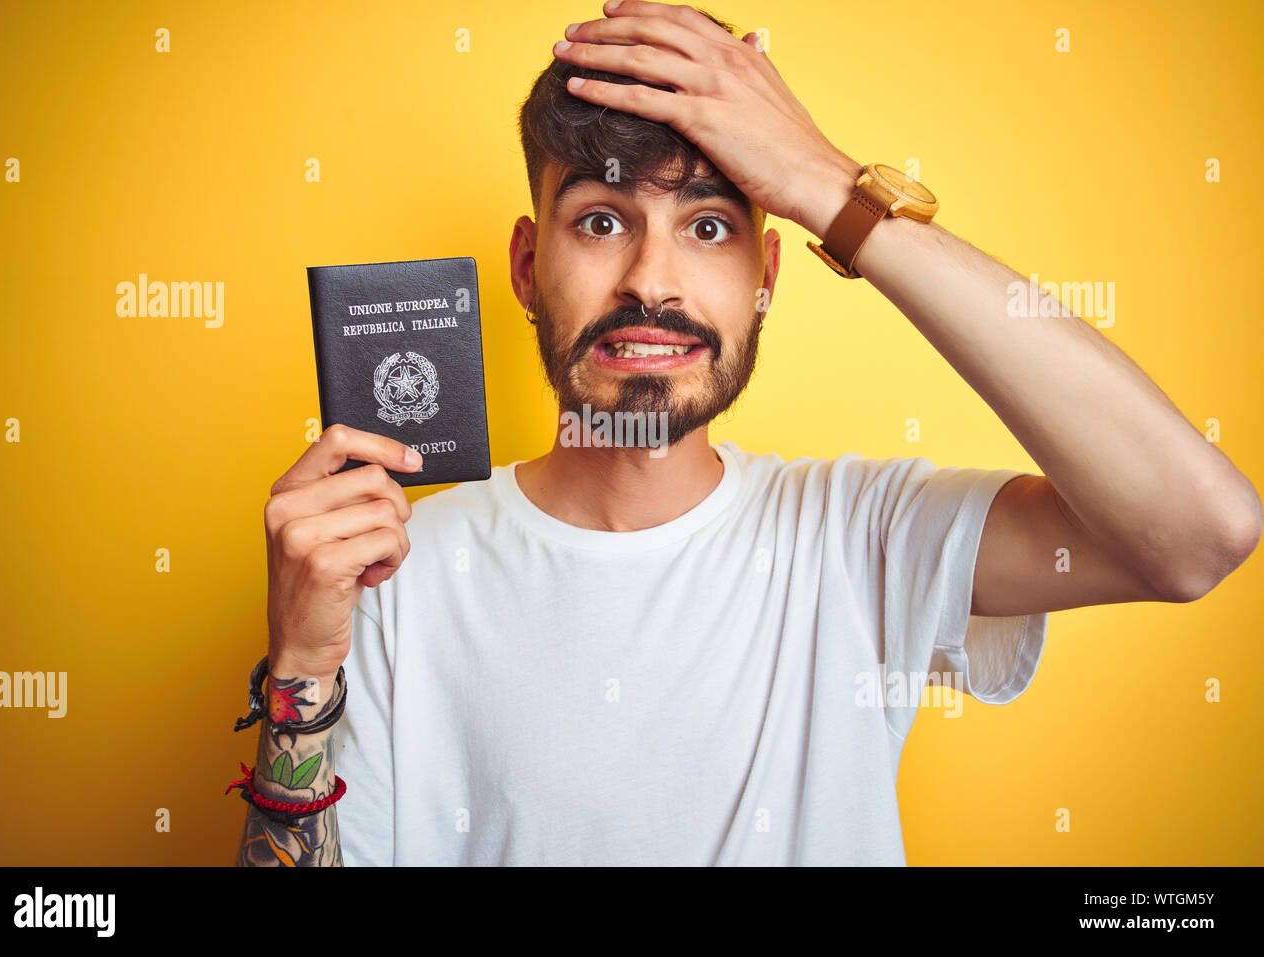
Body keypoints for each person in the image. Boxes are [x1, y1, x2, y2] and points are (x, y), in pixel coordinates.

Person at [233, 1, 1260, 866]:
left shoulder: (861, 536)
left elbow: (1199, 532)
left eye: (711, 226)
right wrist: (301, 679)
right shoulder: (390, 570)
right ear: (521, 265)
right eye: (599, 220)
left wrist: (828, 187)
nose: (651, 280)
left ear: (768, 279)